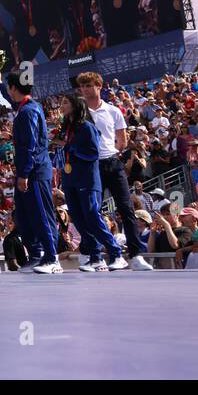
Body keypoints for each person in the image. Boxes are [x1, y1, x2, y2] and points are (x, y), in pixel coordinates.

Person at [74, 72, 150, 270]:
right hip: (90, 167)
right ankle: (95, 255)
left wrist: (109, 151)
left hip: (112, 163)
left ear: (99, 86)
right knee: (92, 211)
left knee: (126, 209)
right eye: (83, 86)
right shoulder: (78, 112)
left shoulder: (114, 111)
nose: (86, 89)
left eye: (90, 85)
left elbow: (122, 140)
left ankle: (135, 256)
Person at [0, 63, 60, 273]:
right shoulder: (28, 107)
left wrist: (24, 174)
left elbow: (30, 145)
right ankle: (36, 254)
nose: (9, 93)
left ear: (15, 88)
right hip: (27, 172)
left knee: (41, 214)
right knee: (23, 215)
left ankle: (52, 257)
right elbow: (11, 98)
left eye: (9, 88)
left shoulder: (28, 112)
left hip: (34, 172)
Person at [56, 92, 125, 272]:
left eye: (65, 102)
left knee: (92, 216)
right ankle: (95, 257)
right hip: (70, 179)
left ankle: (116, 252)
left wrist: (71, 147)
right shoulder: (67, 129)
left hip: (87, 178)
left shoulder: (87, 127)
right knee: (78, 219)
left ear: (75, 105)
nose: (61, 106)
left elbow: (94, 153)